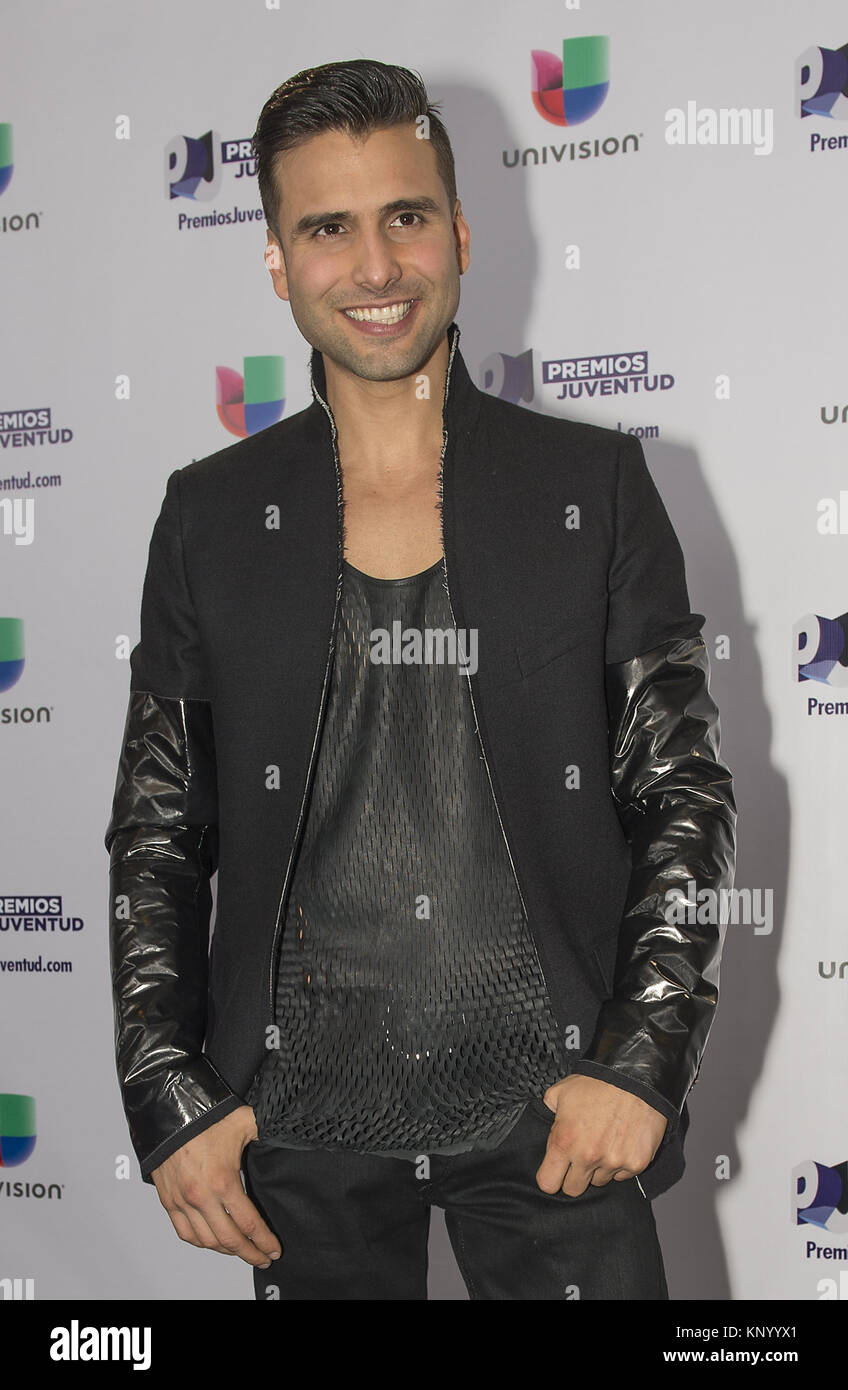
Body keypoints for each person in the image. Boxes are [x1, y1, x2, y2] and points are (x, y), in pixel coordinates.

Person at [104, 58, 736, 1301]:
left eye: (403, 216)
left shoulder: (591, 486)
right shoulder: (210, 515)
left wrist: (640, 1058)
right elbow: (160, 832)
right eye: (325, 229)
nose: (376, 267)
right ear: (278, 262)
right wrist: (168, 1091)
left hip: (556, 1112)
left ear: (457, 229)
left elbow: (680, 794)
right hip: (297, 1123)